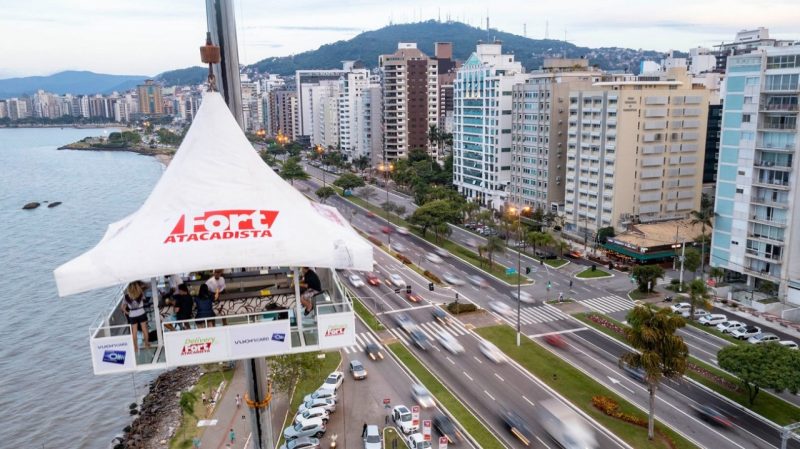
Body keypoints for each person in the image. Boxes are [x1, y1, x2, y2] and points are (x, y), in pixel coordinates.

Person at [121, 282, 150, 352]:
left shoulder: (126, 297)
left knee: (134, 331)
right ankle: (146, 344)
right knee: (144, 329)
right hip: (141, 313)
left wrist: (127, 312)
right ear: (137, 287)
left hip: (132, 315)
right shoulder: (141, 294)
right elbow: (146, 289)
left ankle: (135, 347)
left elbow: (122, 307)